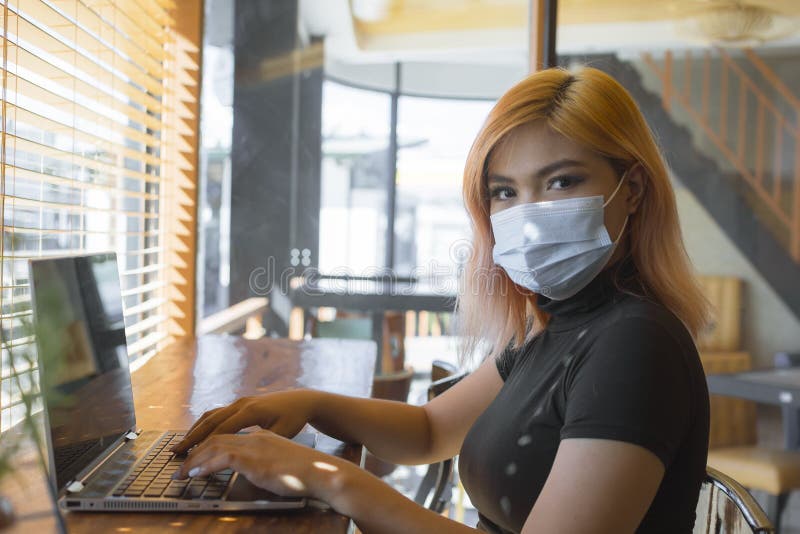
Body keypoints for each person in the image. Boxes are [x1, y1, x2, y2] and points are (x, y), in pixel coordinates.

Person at [171, 66, 712, 533]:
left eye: (561, 182)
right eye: (505, 191)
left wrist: (324, 477)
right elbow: (430, 430)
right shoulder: (557, 324)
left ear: (633, 190)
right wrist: (310, 403)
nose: (526, 215)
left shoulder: (635, 346)